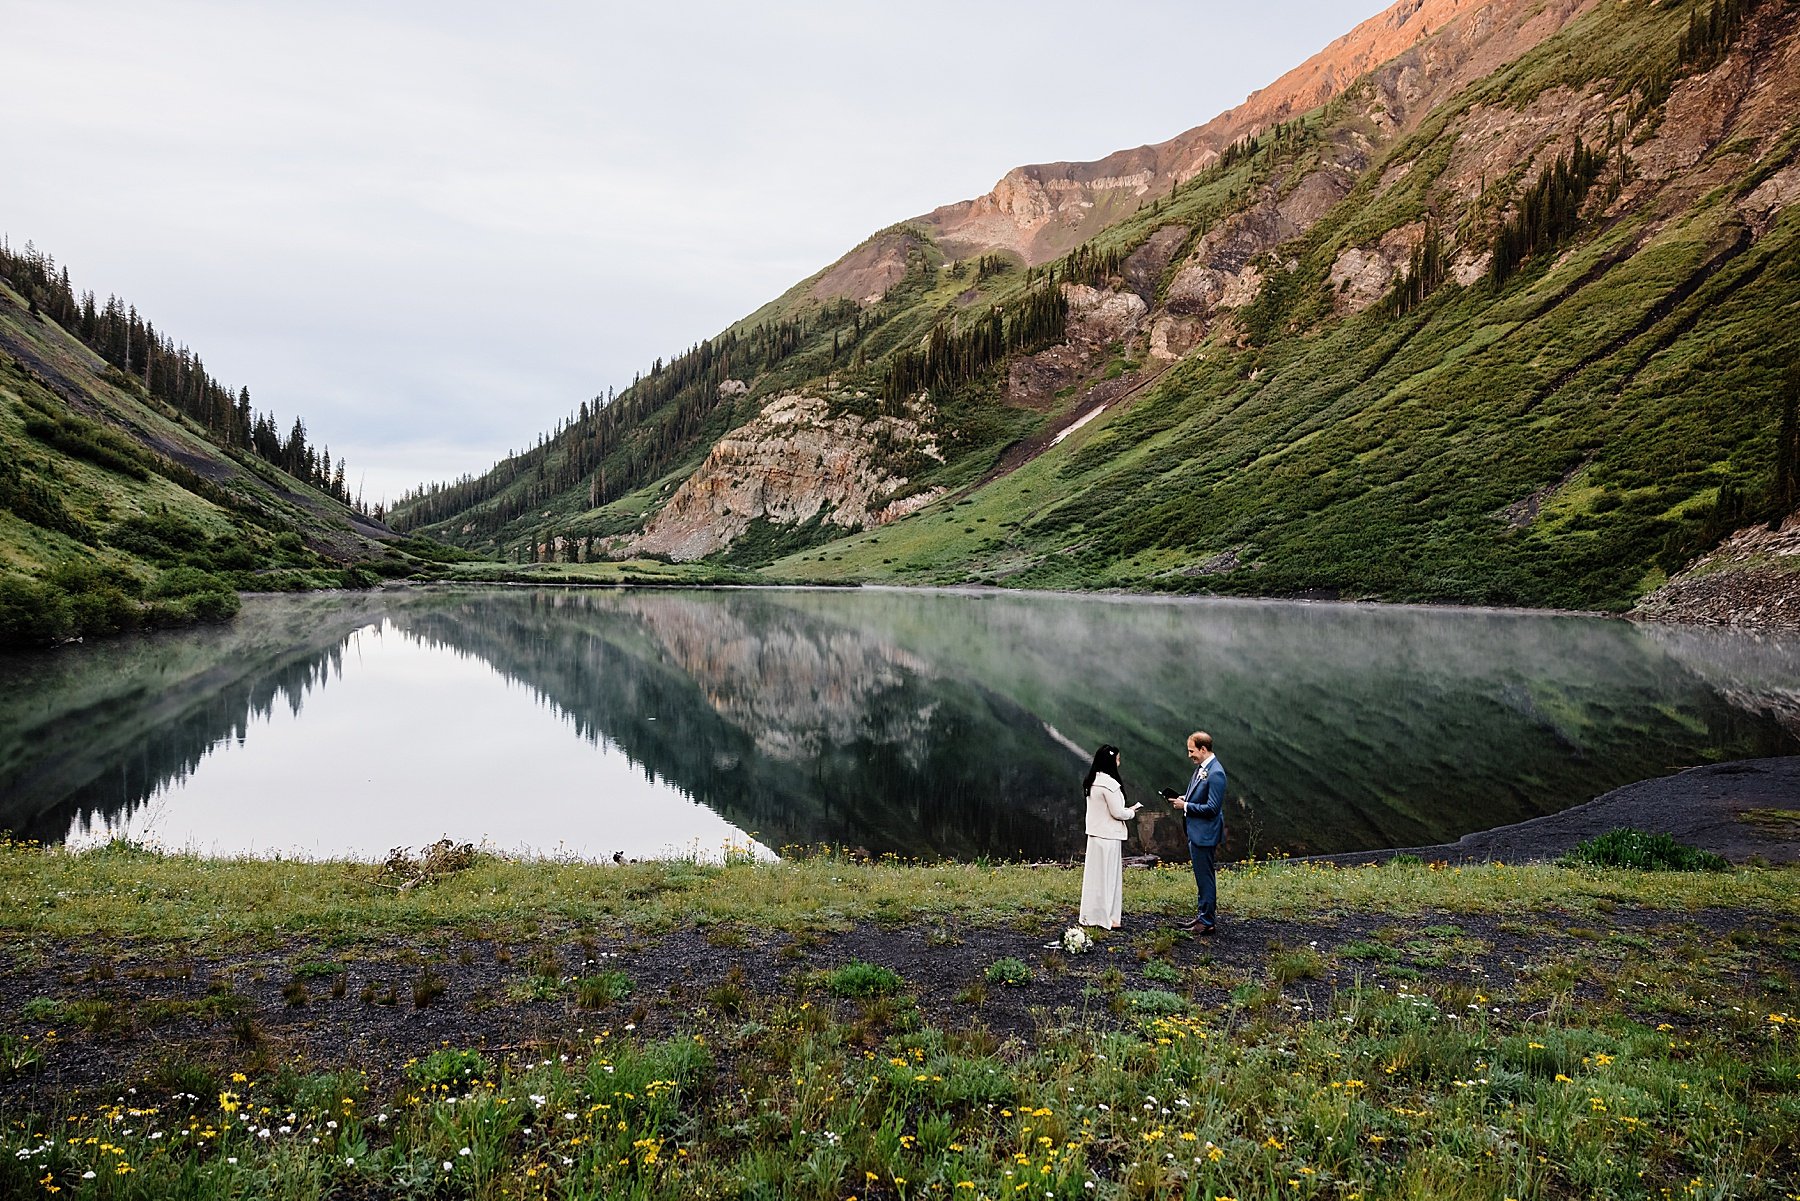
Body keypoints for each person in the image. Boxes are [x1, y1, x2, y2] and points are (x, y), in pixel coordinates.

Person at [1167, 731, 1226, 934]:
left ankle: (1207, 921)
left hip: (1205, 834)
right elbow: (1201, 796)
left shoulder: (1216, 773)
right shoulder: (1202, 768)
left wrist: (1185, 806)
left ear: (1203, 749)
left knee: (1205, 877)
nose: (1189, 755)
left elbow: (1212, 808)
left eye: (1192, 751)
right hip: (1197, 833)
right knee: (1201, 877)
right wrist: (1185, 797)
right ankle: (1202, 916)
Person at [1078, 744, 1141, 929]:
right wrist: (1131, 812)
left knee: (1094, 877)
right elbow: (1117, 813)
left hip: (1095, 834)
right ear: (1112, 761)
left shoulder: (1092, 781)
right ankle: (1109, 918)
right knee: (1109, 878)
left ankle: (1091, 915)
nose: (1119, 762)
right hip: (1109, 836)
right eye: (1118, 759)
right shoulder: (1111, 785)